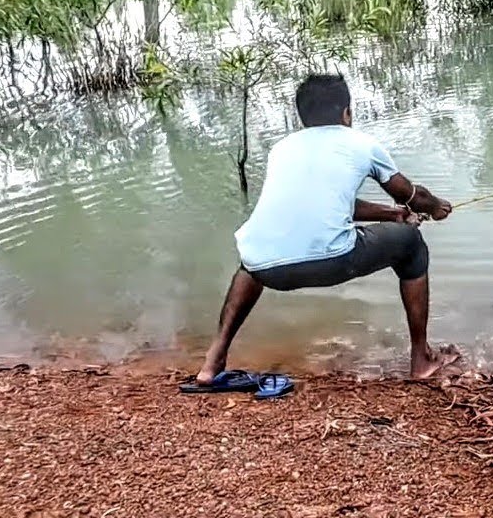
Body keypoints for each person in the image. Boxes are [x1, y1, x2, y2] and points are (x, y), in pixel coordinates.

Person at [190, 74, 458, 387]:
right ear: (347, 113)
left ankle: (213, 360)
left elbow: (322, 202)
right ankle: (421, 359)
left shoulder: (282, 148)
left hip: (266, 270)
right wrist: (436, 207)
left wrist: (389, 215)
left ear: (302, 116)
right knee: (411, 242)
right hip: (332, 260)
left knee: (252, 260)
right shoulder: (361, 143)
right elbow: (411, 195)